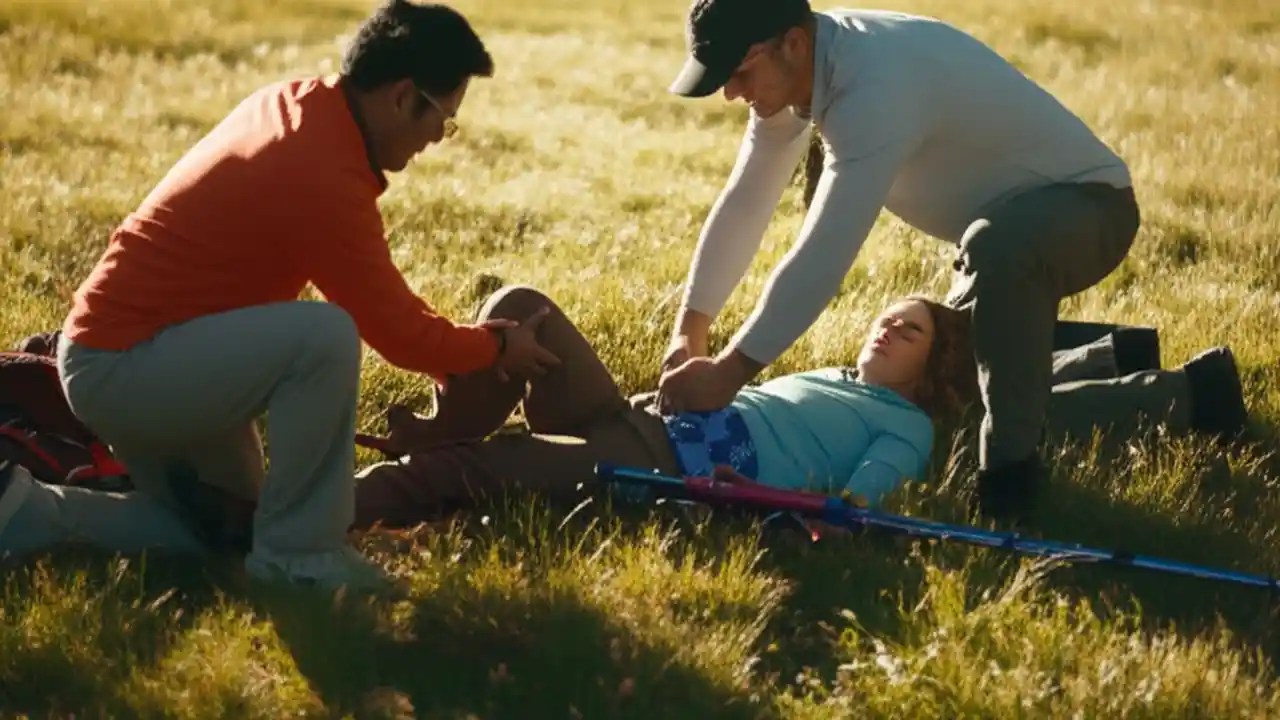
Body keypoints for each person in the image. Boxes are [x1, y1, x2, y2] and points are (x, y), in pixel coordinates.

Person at [27, 0, 558, 589]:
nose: (439, 138)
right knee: (323, 334)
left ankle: (24, 512)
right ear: (404, 96)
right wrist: (495, 348)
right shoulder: (321, 171)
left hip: (128, 356)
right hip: (126, 369)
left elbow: (390, 308)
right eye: (444, 119)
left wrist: (469, 347)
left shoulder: (301, 106)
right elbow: (396, 331)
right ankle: (301, 558)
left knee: (228, 528)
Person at [652, 0, 1245, 521]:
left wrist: (728, 376)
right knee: (943, 389)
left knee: (964, 422)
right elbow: (745, 203)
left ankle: (1177, 404)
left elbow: (823, 252)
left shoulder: (873, 85)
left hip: (1085, 214)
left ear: (794, 43)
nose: (732, 92)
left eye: (739, 71)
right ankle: (1113, 358)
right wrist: (690, 334)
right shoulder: (805, 71)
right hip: (1003, 244)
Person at [351, 285, 975, 529]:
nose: (886, 330)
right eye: (886, 319)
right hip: (641, 414)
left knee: (482, 466)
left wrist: (789, 512)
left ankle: (304, 510)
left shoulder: (906, 426)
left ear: (934, 369)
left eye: (909, 331)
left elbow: (856, 505)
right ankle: (440, 429)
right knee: (523, 309)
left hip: (672, 459)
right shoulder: (833, 375)